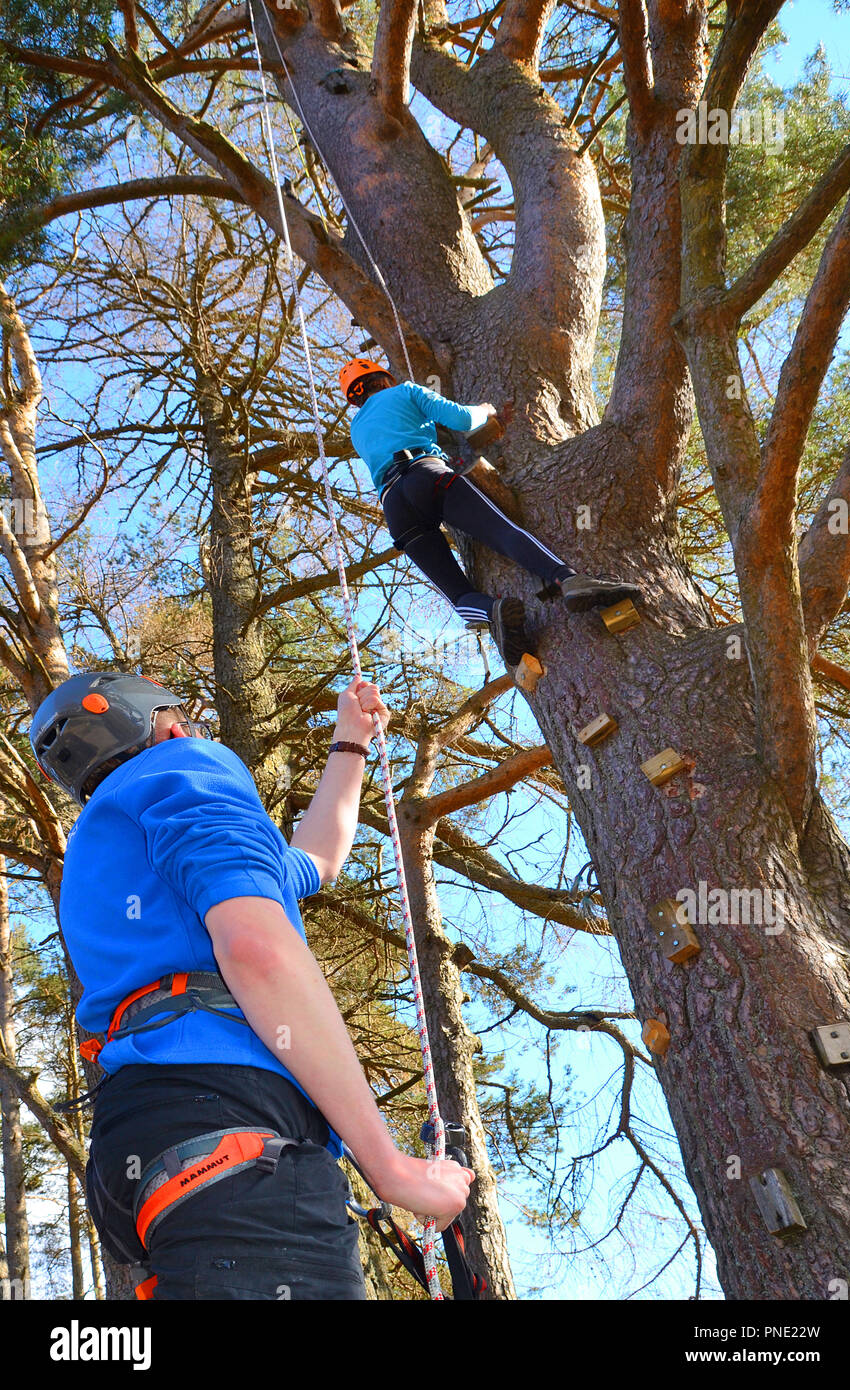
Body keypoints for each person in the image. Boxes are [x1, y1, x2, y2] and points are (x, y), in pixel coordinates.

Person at [30, 670, 474, 1300]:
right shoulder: (183, 766)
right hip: (229, 1131)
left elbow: (313, 860)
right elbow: (255, 948)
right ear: (171, 726)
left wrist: (351, 743)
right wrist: (391, 1167)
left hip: (156, 1146)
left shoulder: (105, 851)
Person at [341, 358, 642, 665]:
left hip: (395, 506)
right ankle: (569, 580)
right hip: (426, 473)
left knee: (457, 595)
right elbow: (460, 419)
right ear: (384, 379)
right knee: (503, 531)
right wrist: (486, 409)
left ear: (356, 397)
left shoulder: (356, 428)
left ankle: (491, 611)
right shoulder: (404, 391)